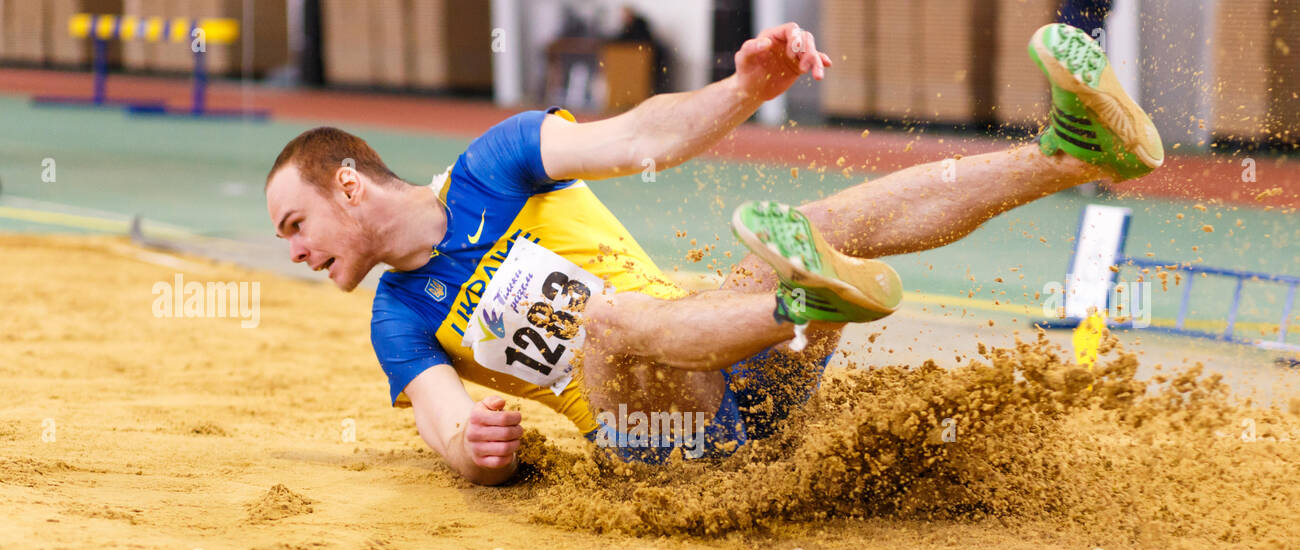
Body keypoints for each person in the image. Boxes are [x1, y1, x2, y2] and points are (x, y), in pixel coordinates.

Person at [264, 22, 1161, 485]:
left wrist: (742, 89)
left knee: (814, 224)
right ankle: (803, 302)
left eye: (295, 225)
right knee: (607, 321)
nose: (296, 253)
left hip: (736, 374)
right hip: (661, 441)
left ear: (348, 186)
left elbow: (642, 135)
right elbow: (447, 426)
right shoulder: (400, 318)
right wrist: (480, 451)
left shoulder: (495, 167)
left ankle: (1074, 153)